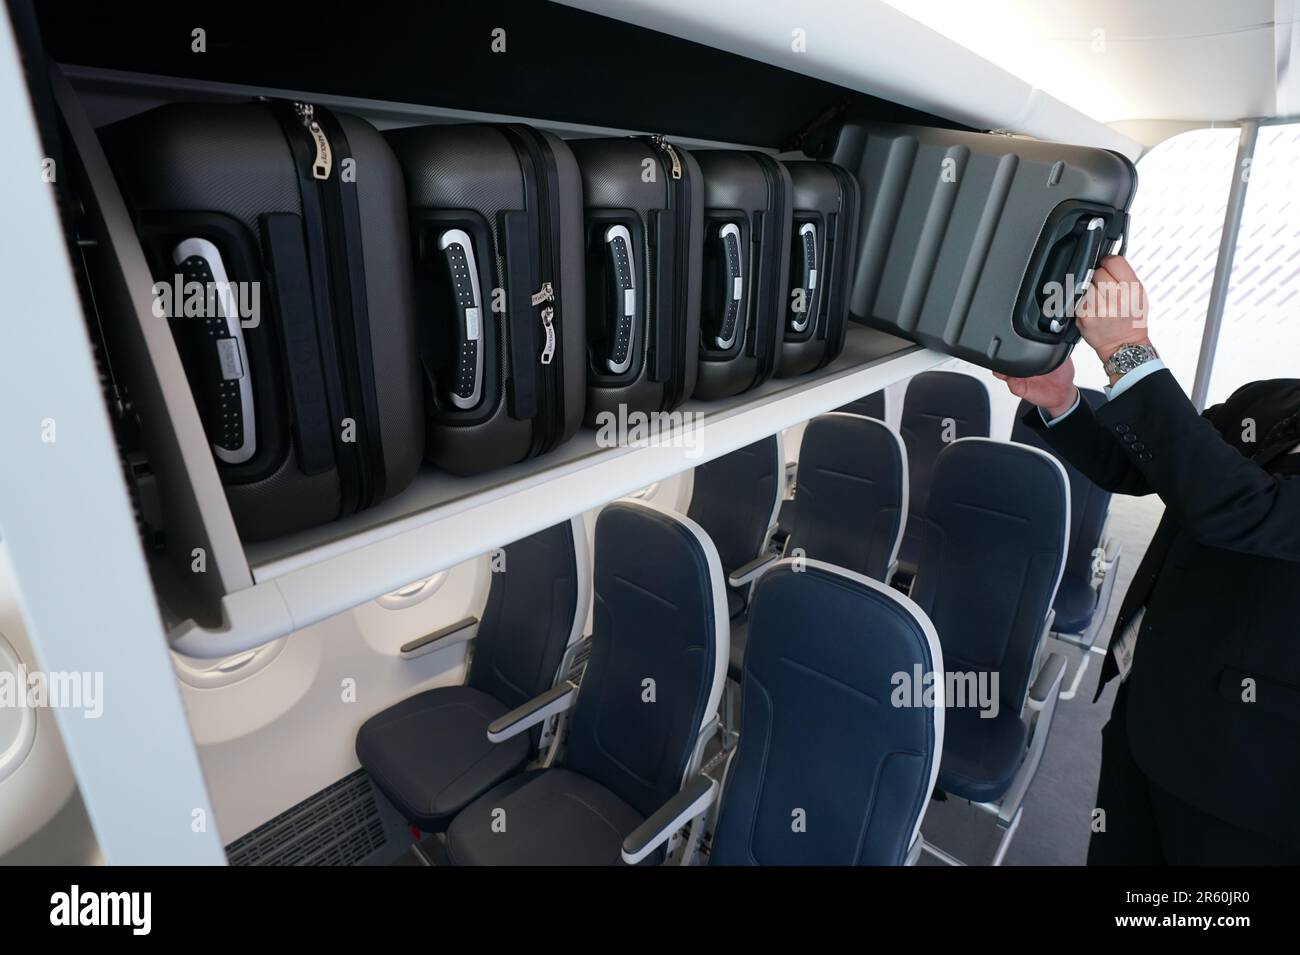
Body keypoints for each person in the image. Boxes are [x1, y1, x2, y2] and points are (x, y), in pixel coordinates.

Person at [997, 255, 1300, 865]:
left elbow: (1242, 510)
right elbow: (1158, 468)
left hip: (1251, 782)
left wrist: (1130, 354)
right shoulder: (1273, 401)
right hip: (1154, 708)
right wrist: (1061, 398)